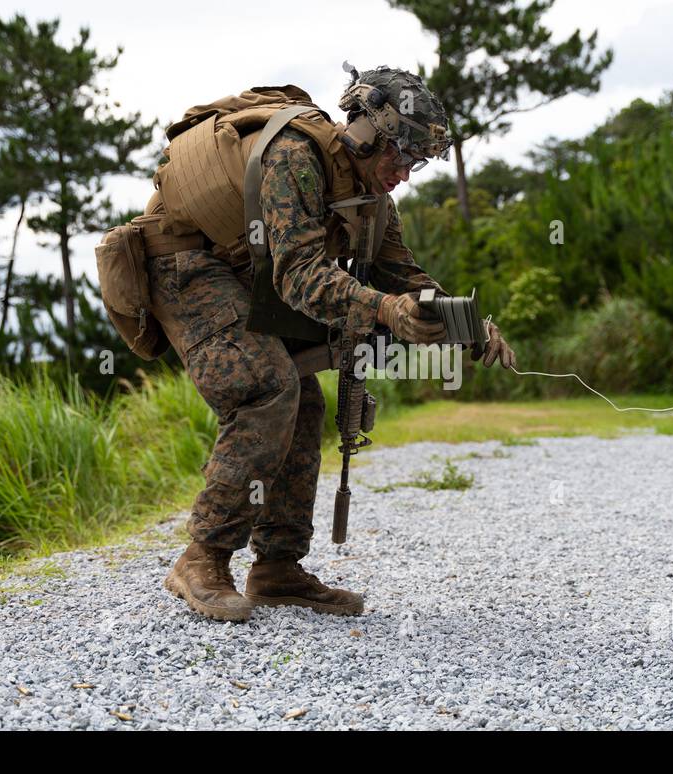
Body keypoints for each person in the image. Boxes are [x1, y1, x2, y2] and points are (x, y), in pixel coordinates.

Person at [146, 66, 515, 623]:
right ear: (367, 133)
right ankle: (203, 556)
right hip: (186, 264)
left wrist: (469, 328)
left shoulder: (372, 198)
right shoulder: (295, 156)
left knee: (305, 400)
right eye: (400, 155)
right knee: (266, 387)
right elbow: (298, 275)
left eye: (417, 162)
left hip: (244, 273)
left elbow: (402, 276)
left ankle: (276, 567)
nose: (405, 173)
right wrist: (386, 311)